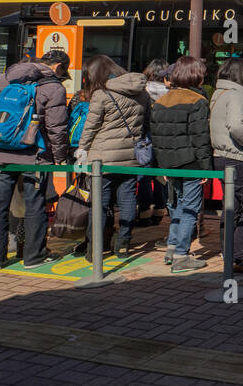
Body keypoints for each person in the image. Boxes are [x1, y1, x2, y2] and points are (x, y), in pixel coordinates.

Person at [0, 50, 71, 270]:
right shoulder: (53, 87)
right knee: (35, 204)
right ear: (58, 66)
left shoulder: (2, 80)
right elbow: (57, 128)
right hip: (35, 156)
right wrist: (59, 157)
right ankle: (33, 256)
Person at [75, 55, 151, 257]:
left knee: (99, 203)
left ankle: (95, 248)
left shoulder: (102, 94)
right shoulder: (142, 93)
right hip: (131, 157)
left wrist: (82, 149)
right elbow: (146, 125)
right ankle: (124, 243)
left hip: (102, 159)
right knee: (127, 199)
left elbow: (90, 127)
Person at [149, 56, 212, 271]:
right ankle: (181, 255)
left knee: (175, 205)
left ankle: (172, 246)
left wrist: (162, 166)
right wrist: (206, 168)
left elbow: (156, 137)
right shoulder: (198, 102)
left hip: (169, 164)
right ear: (196, 75)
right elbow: (200, 138)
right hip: (191, 163)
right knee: (190, 209)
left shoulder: (159, 102)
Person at [209, 57, 243, 274]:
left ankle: (230, 253)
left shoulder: (220, 93)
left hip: (222, 156)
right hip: (239, 157)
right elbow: (237, 127)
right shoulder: (236, 95)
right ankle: (237, 255)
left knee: (232, 206)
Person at [137, 59, 171, 225]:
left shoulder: (142, 92)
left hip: (146, 137)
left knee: (144, 175)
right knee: (160, 175)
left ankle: (144, 212)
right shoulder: (170, 92)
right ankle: (159, 209)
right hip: (164, 138)